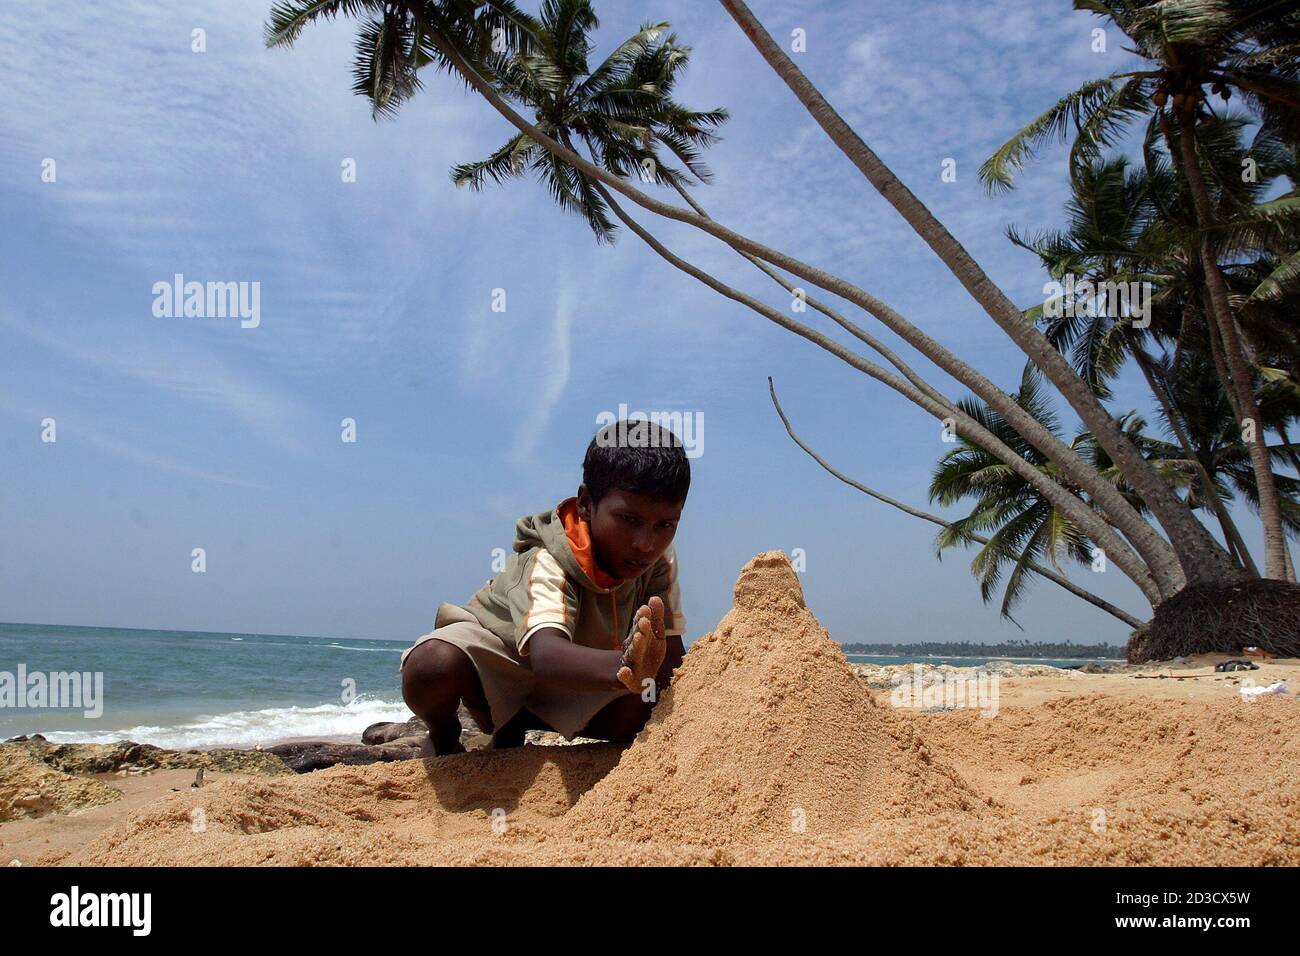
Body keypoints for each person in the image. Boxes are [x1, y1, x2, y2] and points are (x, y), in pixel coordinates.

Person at [400, 419, 689, 755]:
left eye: (665, 524)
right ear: (585, 503)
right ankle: (445, 731)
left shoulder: (658, 561)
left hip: (576, 677)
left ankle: (516, 724)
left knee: (648, 711)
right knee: (431, 666)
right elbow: (546, 655)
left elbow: (669, 651)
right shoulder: (549, 558)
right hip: (502, 664)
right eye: (629, 519)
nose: (646, 543)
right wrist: (625, 666)